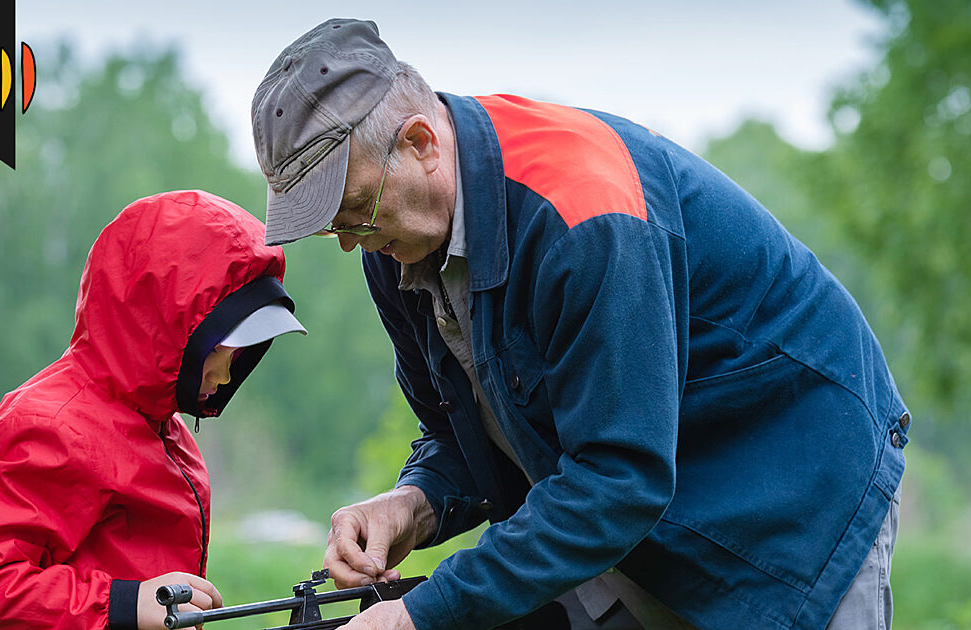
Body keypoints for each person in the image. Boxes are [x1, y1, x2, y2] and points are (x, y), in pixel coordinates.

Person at [250, 19, 909, 630]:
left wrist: (426, 612)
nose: (348, 241)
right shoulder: (395, 242)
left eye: (355, 210)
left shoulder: (582, 213)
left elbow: (619, 480)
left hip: (796, 487)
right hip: (634, 507)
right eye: (333, 225)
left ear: (421, 143)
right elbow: (469, 438)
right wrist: (411, 502)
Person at [0, 190, 307, 630]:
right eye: (224, 349)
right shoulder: (53, 424)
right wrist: (124, 604)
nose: (227, 377)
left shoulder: (165, 424)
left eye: (242, 355)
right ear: (167, 321)